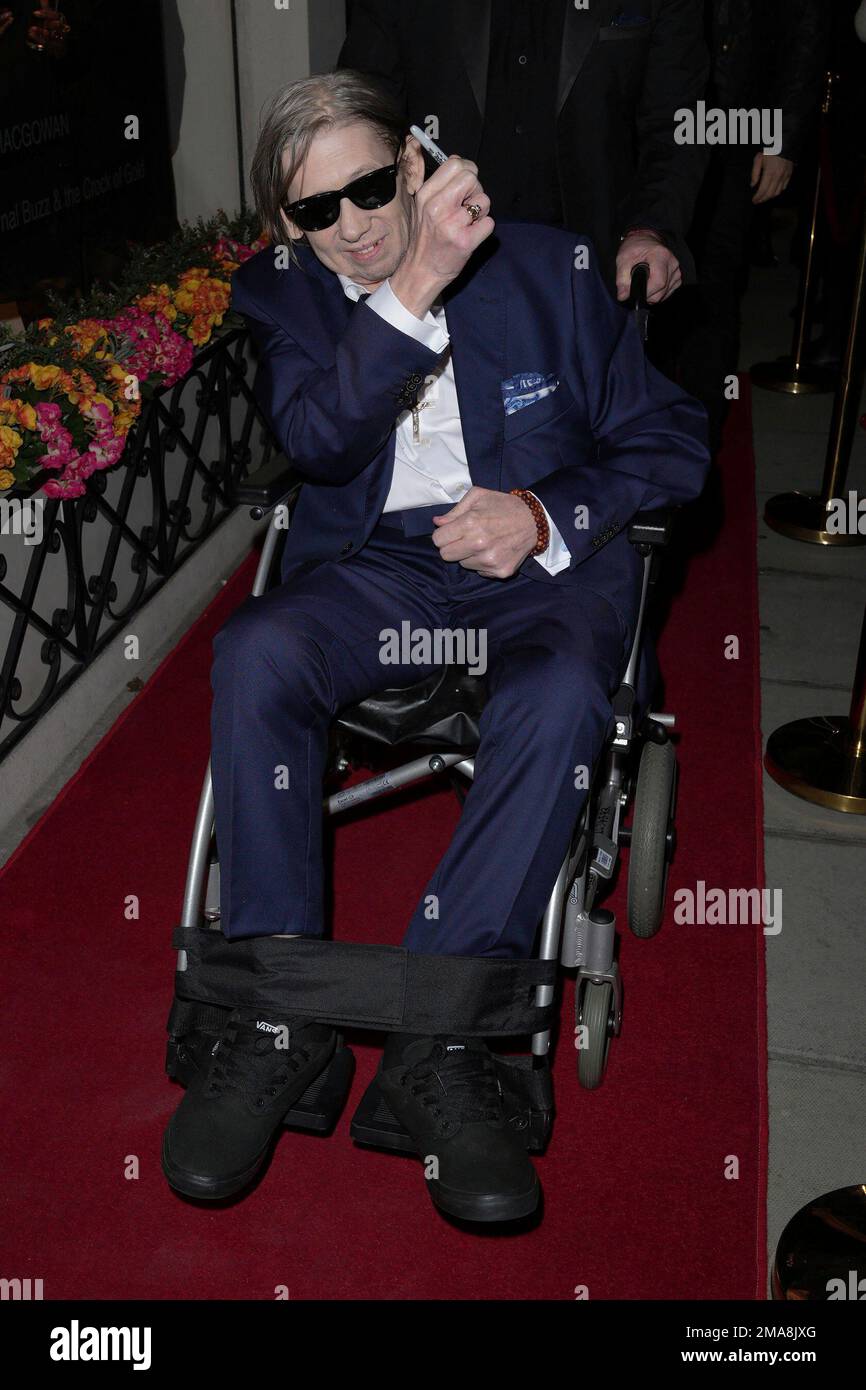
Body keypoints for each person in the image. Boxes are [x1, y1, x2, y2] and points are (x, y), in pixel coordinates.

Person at [161, 71, 709, 1224]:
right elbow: (315, 437)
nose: (352, 225)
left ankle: (448, 1049)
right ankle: (275, 1018)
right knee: (256, 650)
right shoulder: (288, 298)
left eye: (370, 186)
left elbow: (671, 438)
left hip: (537, 562)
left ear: (413, 162)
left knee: (561, 690)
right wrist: (409, 289)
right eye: (317, 211)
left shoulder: (551, 268)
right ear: (284, 227)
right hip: (382, 565)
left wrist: (546, 515)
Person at [339, 0, 710, 306]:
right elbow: (362, 114)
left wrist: (649, 229)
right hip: (436, 268)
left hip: (591, 268)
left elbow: (677, 125)